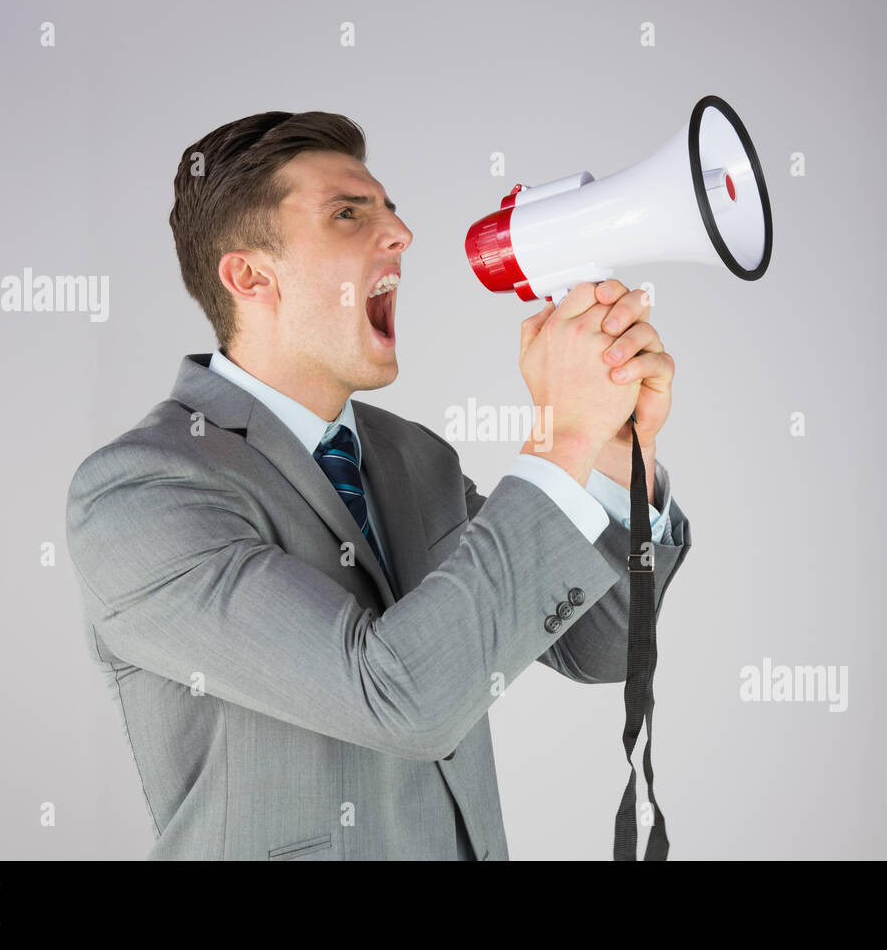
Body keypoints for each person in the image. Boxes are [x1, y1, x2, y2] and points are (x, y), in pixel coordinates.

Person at [64, 110, 692, 860]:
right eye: (348, 214)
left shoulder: (413, 457)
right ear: (251, 276)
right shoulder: (141, 491)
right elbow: (398, 697)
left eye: (391, 209)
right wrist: (562, 445)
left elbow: (600, 647)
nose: (400, 233)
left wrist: (618, 458)